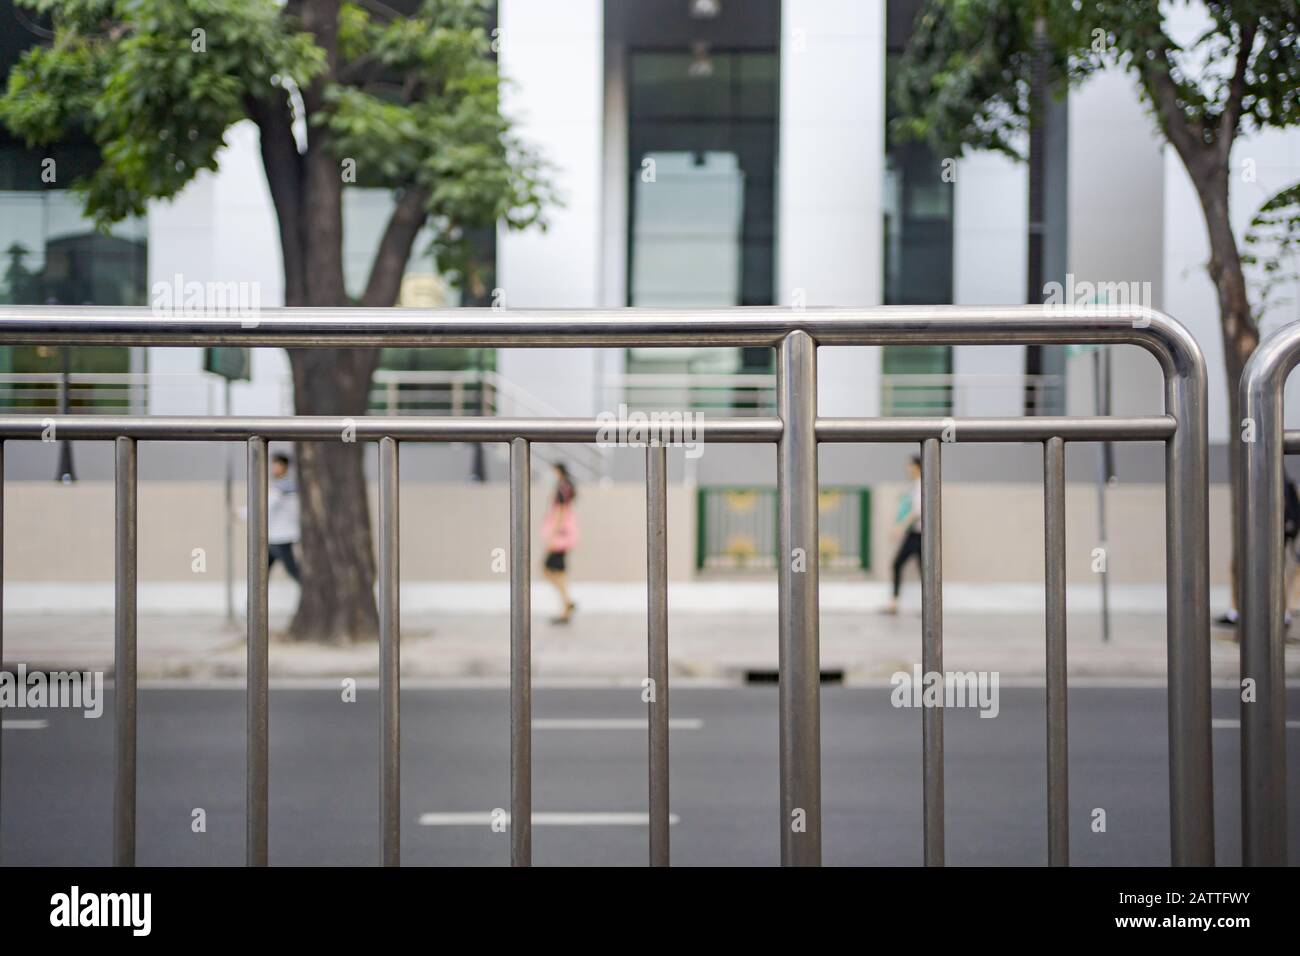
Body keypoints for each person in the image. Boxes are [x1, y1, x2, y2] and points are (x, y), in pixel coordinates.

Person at [882, 454, 923, 615]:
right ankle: (926, 604)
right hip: (915, 533)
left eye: (910, 465)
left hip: (918, 533)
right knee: (923, 568)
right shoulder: (915, 486)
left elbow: (917, 511)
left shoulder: (921, 485)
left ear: (917, 467)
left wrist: (900, 527)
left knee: (898, 564)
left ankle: (895, 603)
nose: (907, 469)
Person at [541, 463, 579, 624]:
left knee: (548, 570)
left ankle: (567, 602)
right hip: (565, 534)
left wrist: (552, 534)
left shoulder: (562, 487)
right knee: (559, 572)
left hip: (560, 536)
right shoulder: (567, 486)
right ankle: (566, 605)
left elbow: (560, 512)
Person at [267, 452, 301, 583]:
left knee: (293, 570)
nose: (273, 468)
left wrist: (242, 514)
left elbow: (265, 506)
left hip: (282, 537)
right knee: (260, 570)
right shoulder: (283, 485)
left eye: (276, 465)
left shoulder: (284, 486)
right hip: (274, 536)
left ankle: (312, 591)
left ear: (283, 466)